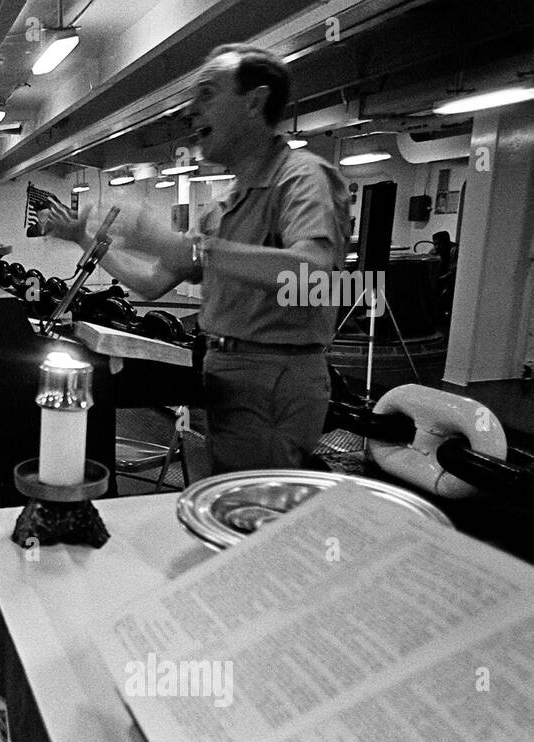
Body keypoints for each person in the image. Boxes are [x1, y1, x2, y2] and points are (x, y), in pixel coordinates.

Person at [42, 43, 347, 474]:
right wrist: (86, 239)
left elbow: (315, 274)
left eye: (207, 93)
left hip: (275, 374)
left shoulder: (302, 177)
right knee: (229, 497)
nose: (190, 111)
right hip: (223, 368)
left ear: (254, 102)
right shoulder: (222, 208)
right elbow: (150, 282)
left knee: (254, 508)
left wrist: (191, 248)